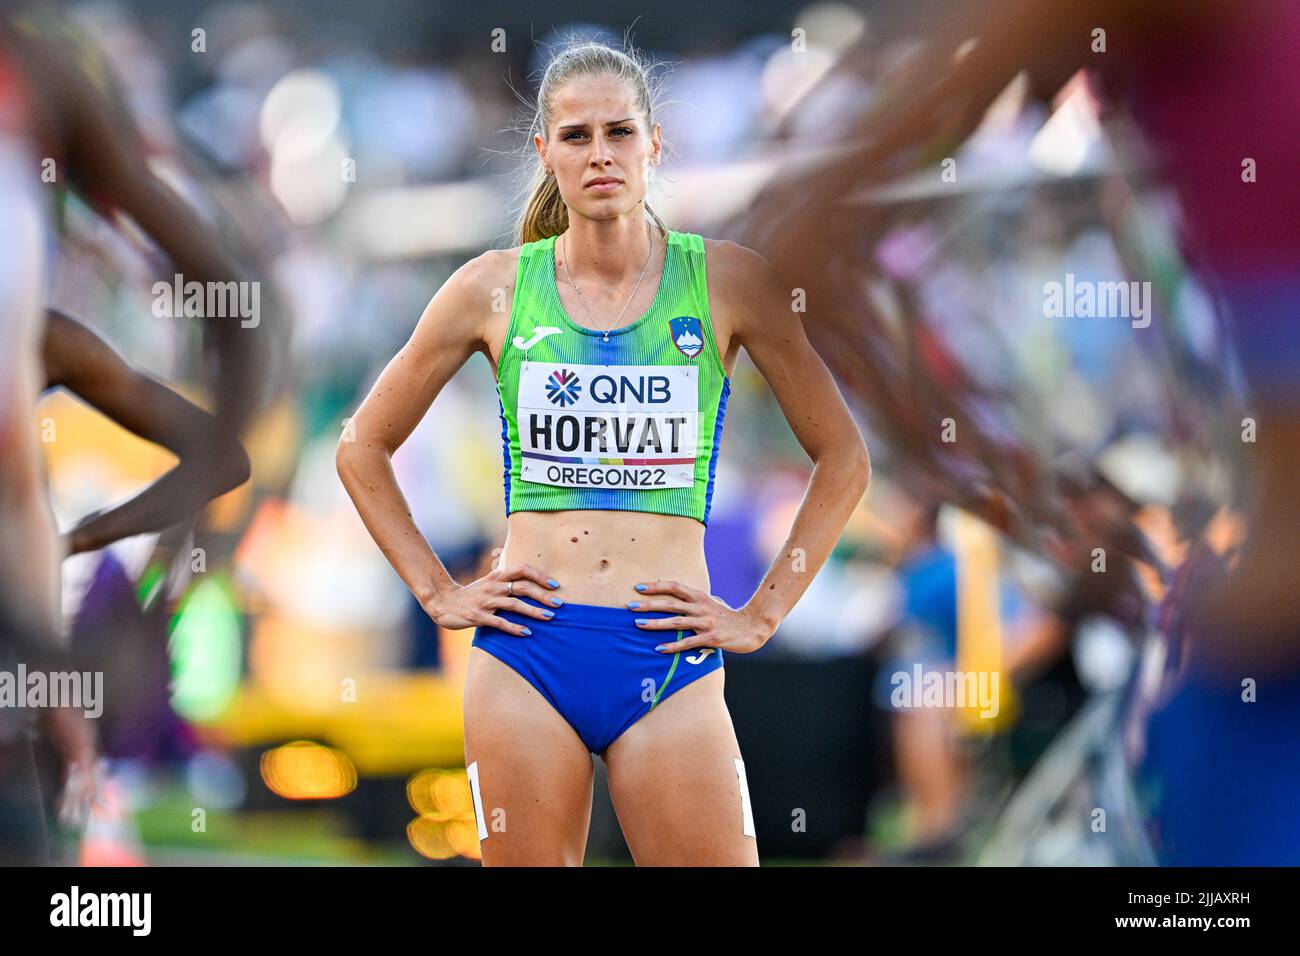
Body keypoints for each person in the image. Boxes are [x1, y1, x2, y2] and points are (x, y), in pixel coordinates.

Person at [338, 40, 870, 866]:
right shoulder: (492, 289)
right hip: (527, 654)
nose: (600, 155)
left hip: (666, 656)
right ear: (543, 151)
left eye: (619, 133)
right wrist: (436, 591)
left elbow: (843, 456)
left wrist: (763, 612)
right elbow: (362, 446)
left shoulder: (729, 283)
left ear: (655, 143)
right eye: (577, 136)